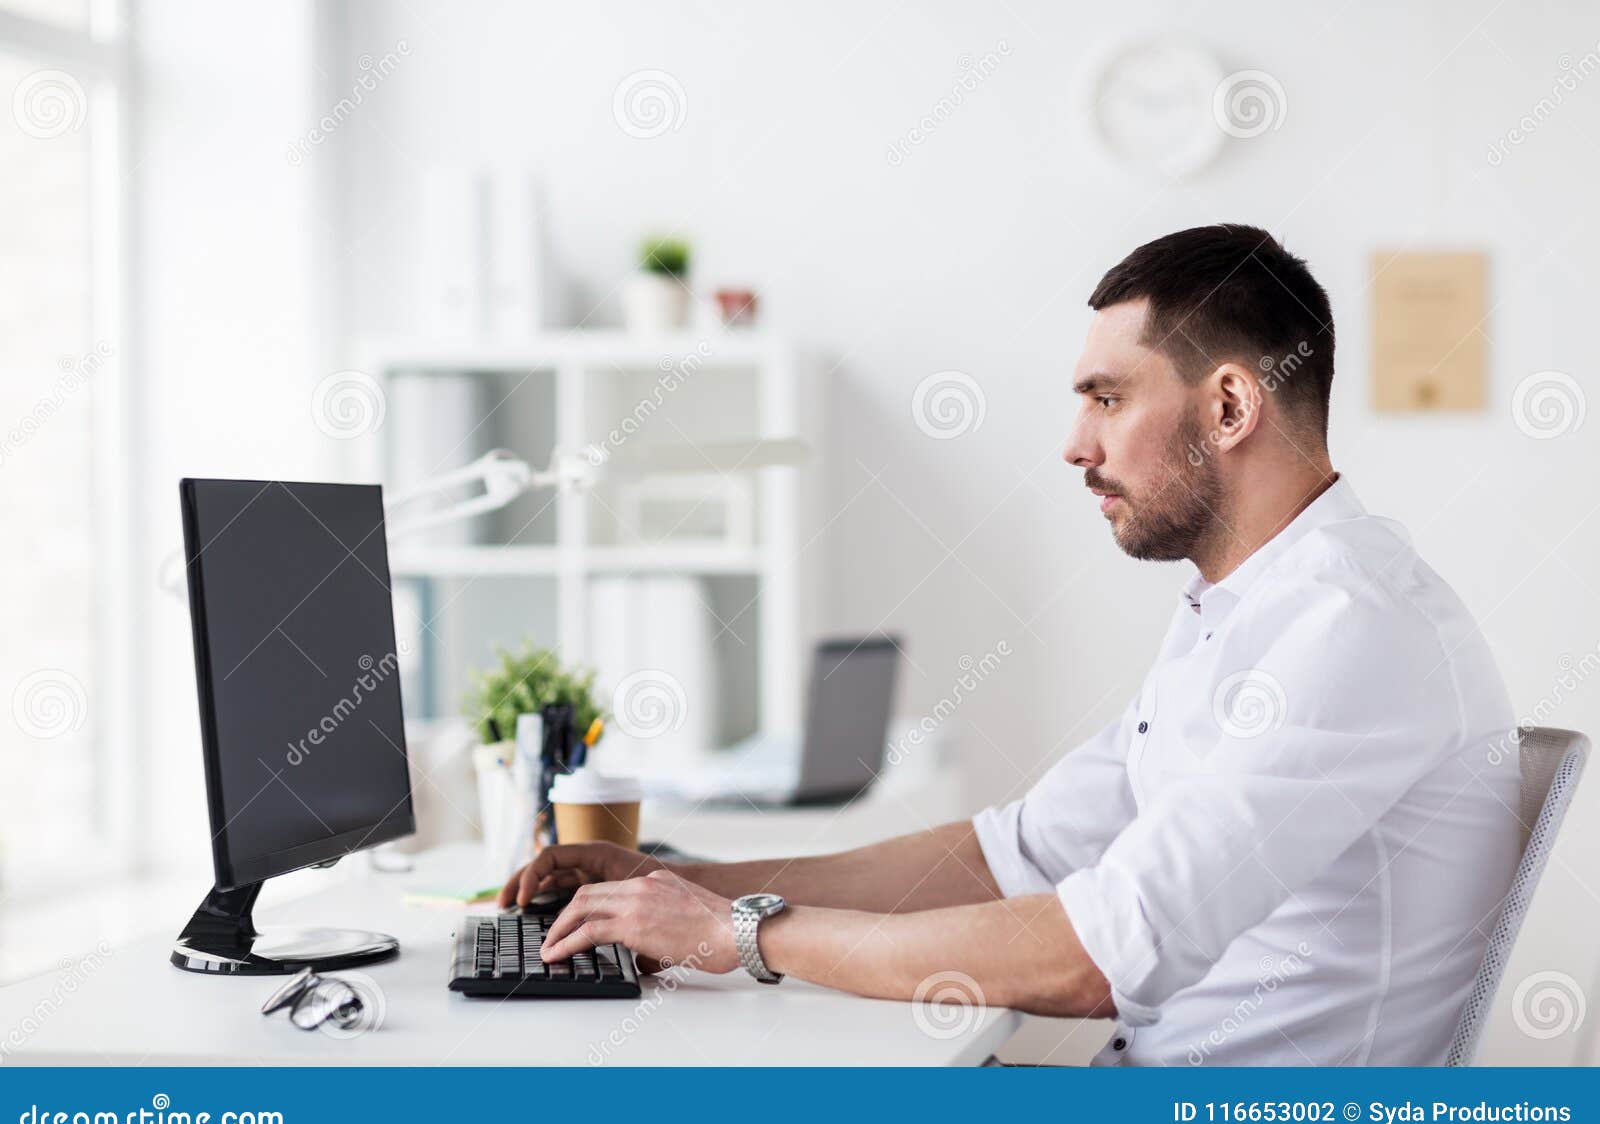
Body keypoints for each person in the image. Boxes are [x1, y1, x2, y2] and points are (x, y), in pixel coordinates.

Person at [500, 224, 1520, 1066]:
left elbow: (1093, 957)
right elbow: (1012, 854)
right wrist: (689, 884)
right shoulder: (1241, 609)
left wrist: (740, 934)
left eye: (1107, 396)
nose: (1074, 443)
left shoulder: (1347, 627)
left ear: (1228, 404)